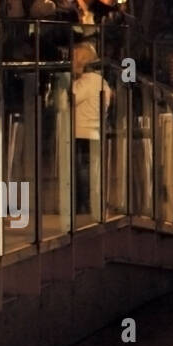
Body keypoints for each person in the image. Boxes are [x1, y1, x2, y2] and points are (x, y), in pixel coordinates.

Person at [72, 42, 112, 216]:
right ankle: (91, 201)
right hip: (96, 130)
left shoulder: (84, 83)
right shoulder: (102, 82)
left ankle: (82, 203)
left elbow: (69, 98)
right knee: (91, 170)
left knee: (81, 171)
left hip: (81, 131)